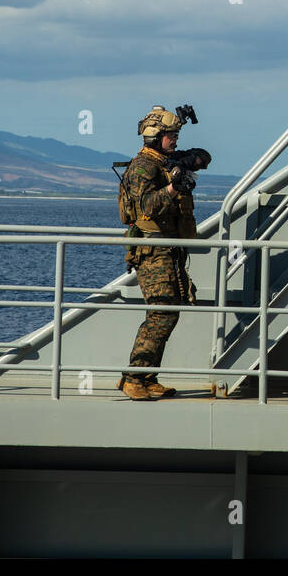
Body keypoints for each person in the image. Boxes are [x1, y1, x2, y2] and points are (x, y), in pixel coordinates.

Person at [118, 105, 199, 401]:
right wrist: (172, 189)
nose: (175, 139)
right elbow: (146, 207)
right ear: (155, 136)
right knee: (162, 312)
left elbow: (204, 156)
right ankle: (133, 377)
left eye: (176, 134)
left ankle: (148, 377)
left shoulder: (165, 163)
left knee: (169, 311)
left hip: (168, 248)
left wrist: (189, 160)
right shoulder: (143, 168)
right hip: (152, 249)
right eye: (171, 135)